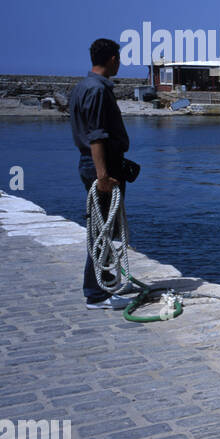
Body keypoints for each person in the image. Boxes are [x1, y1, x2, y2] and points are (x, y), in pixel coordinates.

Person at [70, 38, 132, 308]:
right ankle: (96, 293)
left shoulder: (83, 87)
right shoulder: (97, 90)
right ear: (113, 59)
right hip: (102, 167)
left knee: (104, 227)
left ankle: (104, 283)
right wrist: (103, 176)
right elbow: (96, 137)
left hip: (95, 164)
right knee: (102, 231)